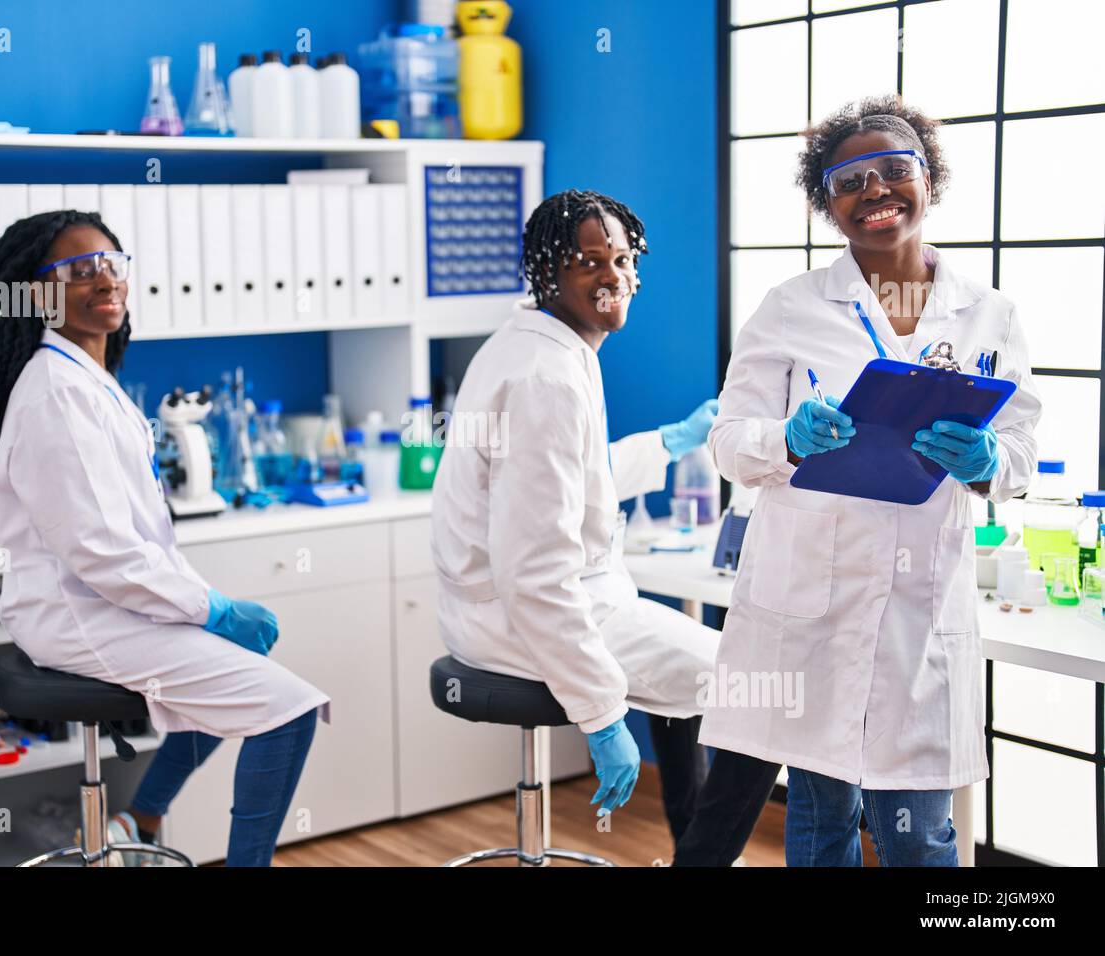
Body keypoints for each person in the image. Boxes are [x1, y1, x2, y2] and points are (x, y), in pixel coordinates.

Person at [702, 96, 1042, 866]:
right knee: (820, 828)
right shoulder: (789, 308)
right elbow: (729, 443)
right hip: (811, 613)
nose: (876, 192)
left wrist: (990, 464)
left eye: (895, 169)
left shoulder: (988, 314)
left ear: (931, 179)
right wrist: (786, 441)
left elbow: (1021, 446)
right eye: (850, 180)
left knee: (920, 839)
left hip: (919, 617)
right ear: (827, 202)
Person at [0, 210, 328, 866]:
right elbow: (102, 553)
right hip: (80, 615)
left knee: (245, 680)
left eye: (112, 264)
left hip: (104, 602)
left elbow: (132, 542)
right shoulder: (53, 393)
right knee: (287, 708)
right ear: (37, 293)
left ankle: (139, 817)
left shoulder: (83, 377)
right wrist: (211, 608)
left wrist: (203, 606)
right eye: (78, 270)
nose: (104, 278)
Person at [430, 188, 721, 827]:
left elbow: (565, 483)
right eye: (588, 262)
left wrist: (672, 442)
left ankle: (693, 845)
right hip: (522, 614)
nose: (612, 277)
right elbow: (533, 572)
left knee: (694, 678)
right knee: (754, 688)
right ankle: (704, 858)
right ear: (547, 270)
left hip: (501, 606)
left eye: (621, 260)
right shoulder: (548, 376)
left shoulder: (534, 345)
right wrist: (601, 714)